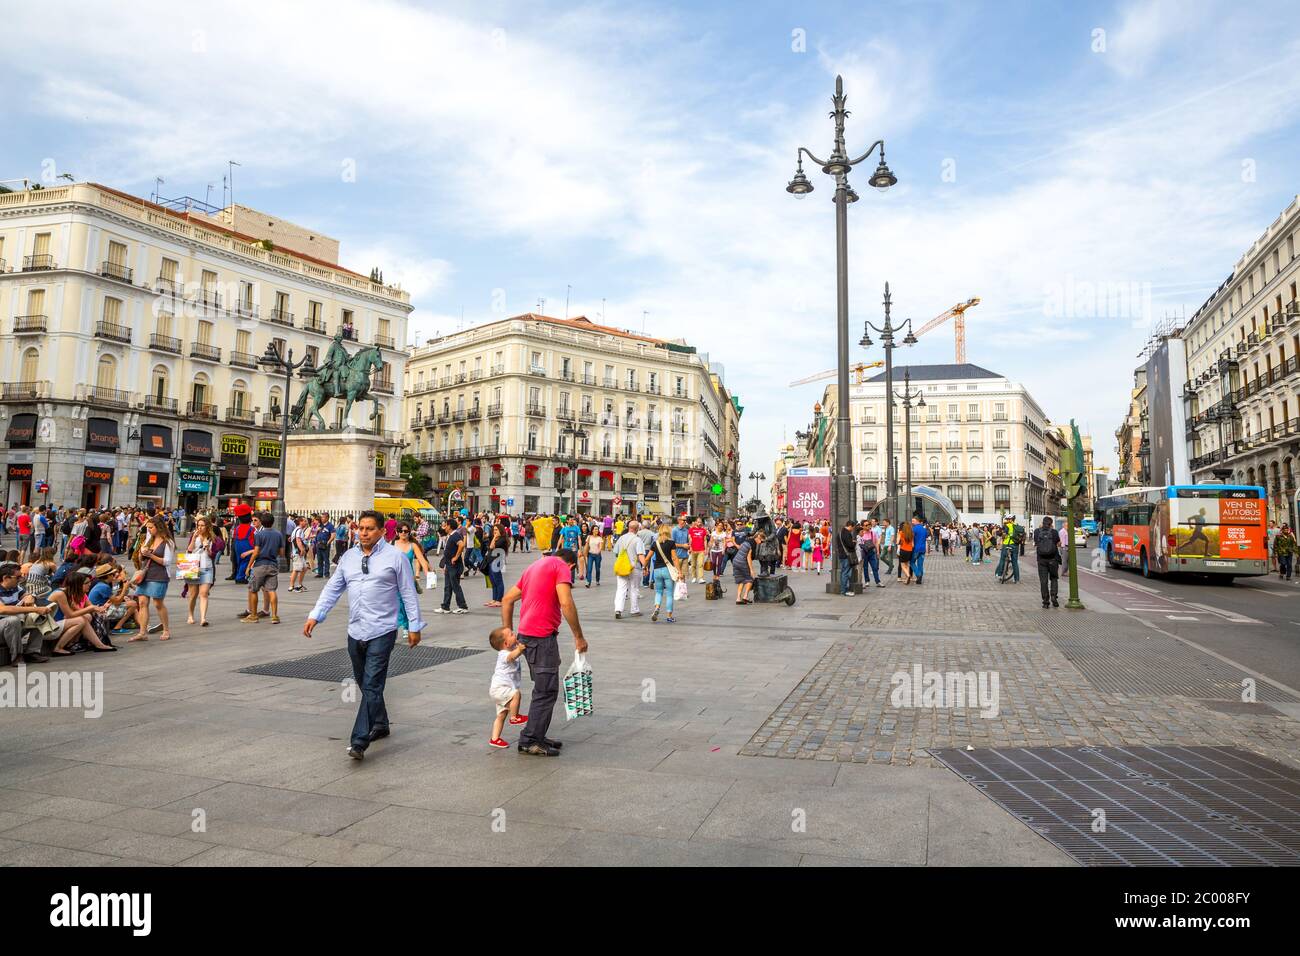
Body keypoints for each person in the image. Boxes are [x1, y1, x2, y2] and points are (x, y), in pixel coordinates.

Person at [305, 510, 424, 761]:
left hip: (382, 630)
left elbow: (408, 593)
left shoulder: (395, 557)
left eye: (369, 528)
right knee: (363, 681)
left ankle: (359, 740)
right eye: (360, 528)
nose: (364, 533)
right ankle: (380, 723)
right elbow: (333, 588)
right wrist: (316, 614)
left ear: (382, 531)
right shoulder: (349, 557)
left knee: (372, 683)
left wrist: (414, 625)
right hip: (355, 629)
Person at [497, 546, 587, 757]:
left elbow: (507, 599)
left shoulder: (535, 566)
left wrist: (508, 631)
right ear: (571, 565)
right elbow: (566, 602)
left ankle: (538, 735)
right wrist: (579, 637)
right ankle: (529, 740)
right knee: (546, 691)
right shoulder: (561, 566)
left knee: (544, 687)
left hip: (527, 637)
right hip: (542, 638)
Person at [130, 516, 174, 642]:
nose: (148, 530)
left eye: (151, 527)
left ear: (158, 527)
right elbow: (140, 558)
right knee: (142, 603)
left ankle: (166, 630)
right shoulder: (149, 539)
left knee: (158, 603)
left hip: (159, 575)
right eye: (148, 527)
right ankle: (142, 632)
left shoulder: (168, 542)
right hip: (145, 574)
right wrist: (141, 553)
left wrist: (150, 555)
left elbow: (166, 561)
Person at [0, 561, 54, 664]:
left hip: (14, 627)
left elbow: (27, 595)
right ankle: (16, 656)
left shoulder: (15, 587)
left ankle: (32, 652)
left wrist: (30, 596)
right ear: (5, 578)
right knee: (13, 620)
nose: (21, 579)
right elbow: (3, 609)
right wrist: (35, 609)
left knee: (39, 616)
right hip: (4, 627)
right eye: (18, 577)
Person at [486, 625, 528, 748]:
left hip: (498, 690)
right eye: (511, 635)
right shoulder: (504, 654)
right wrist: (520, 649)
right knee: (516, 694)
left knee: (501, 715)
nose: (514, 634)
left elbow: (516, 651)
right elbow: (512, 656)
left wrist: (519, 647)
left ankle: (495, 739)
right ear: (506, 643)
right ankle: (514, 717)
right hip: (500, 689)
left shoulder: (511, 648)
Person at [242, 512, 285, 625]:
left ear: (262, 522)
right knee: (271, 590)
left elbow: (256, 552)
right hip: (272, 564)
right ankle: (275, 616)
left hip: (260, 564)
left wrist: (248, 567)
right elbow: (281, 553)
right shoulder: (278, 534)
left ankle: (254, 615)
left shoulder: (259, 535)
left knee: (253, 590)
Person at [393, 524, 433, 630]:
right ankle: (402, 623)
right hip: (394, 579)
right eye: (400, 530)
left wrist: (428, 573)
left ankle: (406, 626)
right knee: (398, 603)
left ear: (409, 532)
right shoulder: (392, 544)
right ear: (397, 532)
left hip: (408, 579)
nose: (403, 533)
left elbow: (422, 560)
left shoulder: (413, 545)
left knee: (408, 603)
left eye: (405, 531)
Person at [185, 515, 216, 627]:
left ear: (207, 526)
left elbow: (212, 555)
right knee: (193, 594)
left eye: (202, 525)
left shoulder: (212, 537)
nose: (200, 528)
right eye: (198, 525)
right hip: (193, 566)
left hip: (207, 567)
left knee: (204, 593)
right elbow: (189, 550)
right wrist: (194, 538)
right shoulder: (195, 536)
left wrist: (207, 546)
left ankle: (203, 618)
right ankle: (190, 615)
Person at [612, 520, 646, 619]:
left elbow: (616, 553)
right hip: (634, 568)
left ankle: (618, 609)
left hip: (622, 567)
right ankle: (634, 610)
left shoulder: (621, 538)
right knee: (634, 588)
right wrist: (645, 566)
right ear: (637, 529)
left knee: (621, 589)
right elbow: (640, 555)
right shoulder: (637, 540)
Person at [436, 519, 470, 614]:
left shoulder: (455, 535)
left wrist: (456, 557)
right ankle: (445, 607)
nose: (444, 527)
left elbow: (462, 545)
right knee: (447, 587)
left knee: (455, 586)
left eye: (445, 525)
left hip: (455, 566)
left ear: (449, 526)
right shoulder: (451, 536)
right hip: (449, 565)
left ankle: (463, 606)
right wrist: (446, 565)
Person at [650, 525, 679, 623]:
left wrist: (644, 567)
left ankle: (657, 607)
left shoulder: (655, 543)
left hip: (657, 570)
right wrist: (679, 571)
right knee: (669, 594)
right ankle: (669, 616)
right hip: (668, 570)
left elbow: (648, 557)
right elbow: (674, 558)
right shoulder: (671, 543)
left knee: (658, 592)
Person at [1034, 516, 1063, 608]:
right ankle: (1054, 597)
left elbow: (1036, 542)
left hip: (1041, 559)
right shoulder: (1054, 532)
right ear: (1051, 524)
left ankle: (1045, 601)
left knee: (1043, 581)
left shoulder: (1037, 532)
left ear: (1042, 523)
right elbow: (1058, 543)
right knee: (1054, 578)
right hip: (1053, 559)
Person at [733, 529, 760, 603]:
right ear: (758, 537)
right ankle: (745, 596)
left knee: (740, 580)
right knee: (750, 579)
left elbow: (741, 547)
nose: (761, 542)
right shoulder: (753, 544)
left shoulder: (747, 541)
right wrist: (751, 570)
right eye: (761, 540)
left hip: (736, 561)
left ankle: (738, 598)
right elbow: (748, 557)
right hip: (742, 562)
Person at [835, 520, 858, 596]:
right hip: (847, 556)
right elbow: (850, 545)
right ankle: (844, 591)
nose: (852, 529)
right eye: (853, 527)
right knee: (846, 573)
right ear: (850, 526)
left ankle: (844, 590)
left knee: (844, 572)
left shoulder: (840, 532)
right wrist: (854, 542)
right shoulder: (847, 533)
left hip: (842, 555)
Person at [995, 516, 1021, 583]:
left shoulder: (1006, 526)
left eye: (1007, 519)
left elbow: (999, 533)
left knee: (1002, 559)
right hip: (1015, 545)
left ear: (1009, 520)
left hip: (1006, 544)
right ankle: (1016, 579)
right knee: (1015, 562)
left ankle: (999, 574)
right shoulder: (1017, 526)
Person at [859, 521, 882, 587]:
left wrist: (877, 551)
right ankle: (867, 581)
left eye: (869, 524)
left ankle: (878, 581)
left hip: (872, 552)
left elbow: (876, 543)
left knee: (874, 567)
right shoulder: (861, 534)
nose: (868, 526)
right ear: (862, 526)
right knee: (865, 568)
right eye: (866, 525)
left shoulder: (873, 533)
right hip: (864, 552)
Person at [688, 516, 709, 583]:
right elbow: (690, 539)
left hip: (701, 550)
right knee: (693, 564)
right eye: (698, 522)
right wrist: (690, 547)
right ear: (695, 522)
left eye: (700, 522)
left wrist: (706, 549)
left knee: (700, 564)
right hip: (693, 550)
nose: (699, 523)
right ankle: (694, 577)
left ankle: (701, 578)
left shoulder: (703, 530)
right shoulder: (691, 530)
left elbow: (705, 540)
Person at [910, 516, 929, 585]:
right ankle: (920, 578)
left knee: (911, 562)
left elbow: (911, 538)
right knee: (920, 564)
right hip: (922, 549)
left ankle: (918, 574)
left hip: (916, 549)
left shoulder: (914, 529)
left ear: (917, 521)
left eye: (913, 521)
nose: (912, 522)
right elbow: (926, 538)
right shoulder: (924, 529)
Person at [584, 524, 604, 588]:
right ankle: (588, 582)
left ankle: (597, 580)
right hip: (590, 555)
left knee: (597, 569)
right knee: (589, 568)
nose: (596, 530)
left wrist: (599, 551)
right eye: (595, 529)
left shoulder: (599, 538)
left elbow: (601, 546)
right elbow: (586, 545)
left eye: (597, 529)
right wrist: (584, 552)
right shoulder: (589, 537)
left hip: (597, 555)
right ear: (592, 530)